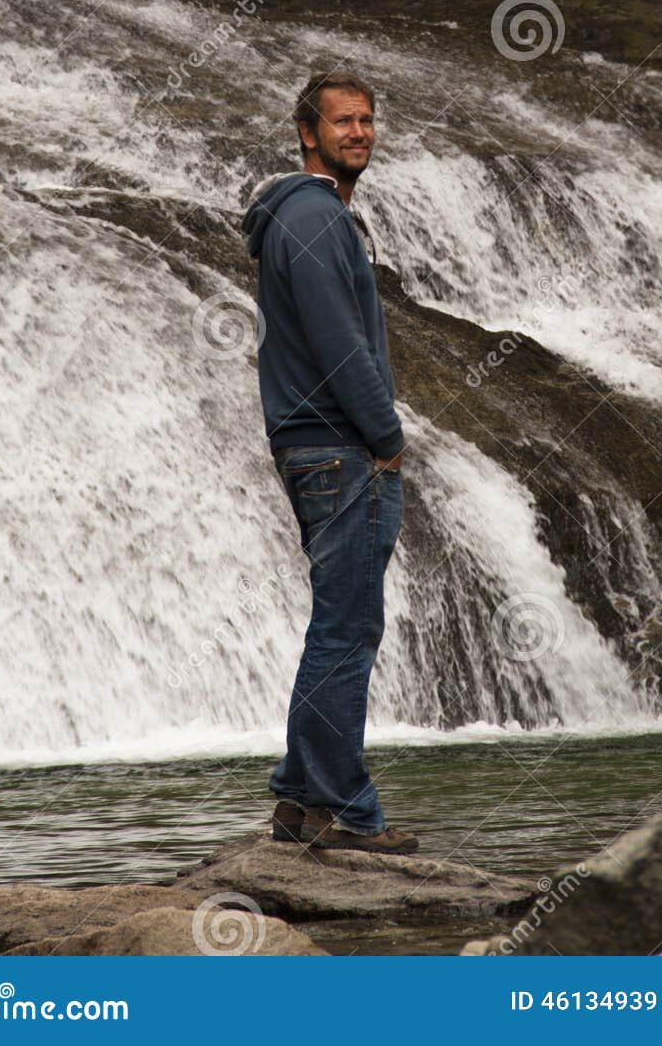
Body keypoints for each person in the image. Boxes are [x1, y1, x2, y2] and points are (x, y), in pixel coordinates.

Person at [241, 68, 419, 854]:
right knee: (346, 632)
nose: (359, 132)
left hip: (320, 445)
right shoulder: (313, 219)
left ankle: (296, 802)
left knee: (339, 626)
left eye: (367, 120)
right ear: (307, 133)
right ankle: (345, 812)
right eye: (342, 121)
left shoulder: (310, 216)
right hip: (339, 449)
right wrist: (386, 436)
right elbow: (340, 345)